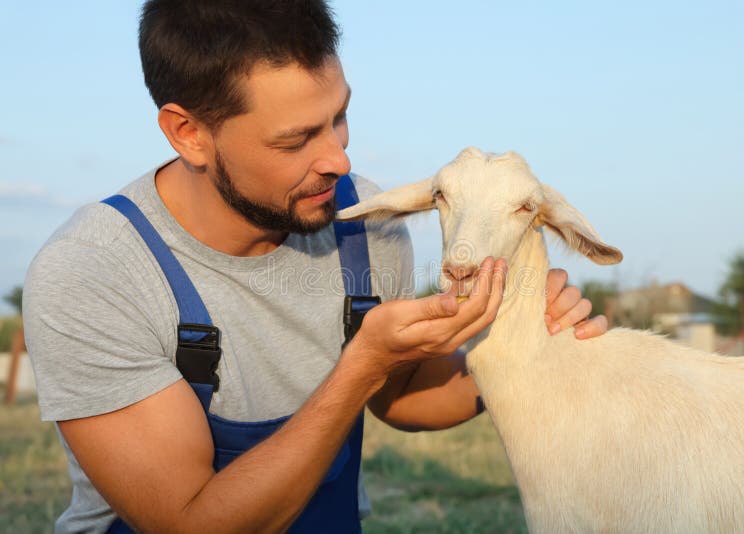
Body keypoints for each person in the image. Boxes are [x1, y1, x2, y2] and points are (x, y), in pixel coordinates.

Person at [23, 1, 608, 532]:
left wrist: (520, 349)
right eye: (295, 140)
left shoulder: (364, 224)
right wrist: (361, 365)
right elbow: (191, 523)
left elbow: (401, 394)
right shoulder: (92, 274)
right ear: (190, 134)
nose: (339, 159)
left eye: (339, 116)